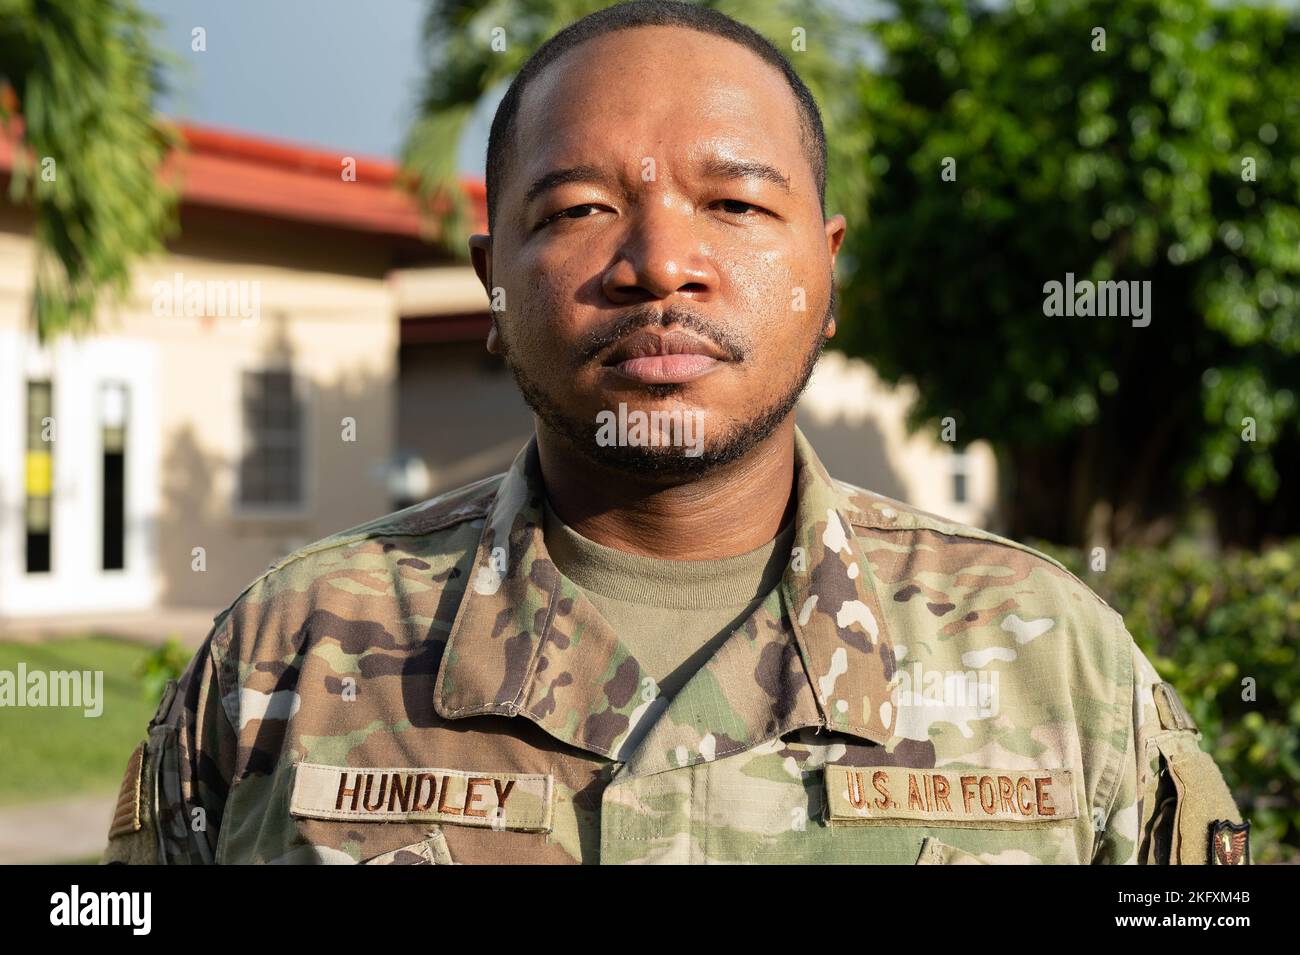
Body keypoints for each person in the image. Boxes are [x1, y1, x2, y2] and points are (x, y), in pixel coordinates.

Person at [102, 0, 1247, 865]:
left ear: (827, 274)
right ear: (491, 281)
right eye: (578, 210)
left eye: (737, 205)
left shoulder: (1056, 657)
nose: (660, 261)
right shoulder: (282, 655)